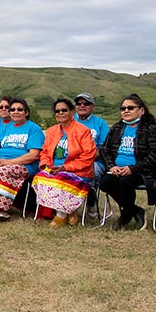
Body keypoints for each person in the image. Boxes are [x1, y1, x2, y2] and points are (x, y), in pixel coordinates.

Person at [99, 94, 156, 231]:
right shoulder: (117, 128)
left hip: (142, 171)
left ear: (141, 110)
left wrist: (133, 168)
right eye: (123, 108)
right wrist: (112, 166)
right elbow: (104, 149)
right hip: (117, 169)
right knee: (105, 182)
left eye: (130, 108)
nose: (126, 111)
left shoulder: (150, 128)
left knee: (125, 182)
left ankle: (125, 216)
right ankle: (135, 211)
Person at [33, 97, 98, 227]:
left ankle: (61, 215)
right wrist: (47, 166)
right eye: (57, 111)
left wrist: (65, 167)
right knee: (39, 177)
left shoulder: (83, 131)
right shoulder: (51, 131)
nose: (60, 113)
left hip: (78, 171)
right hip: (55, 169)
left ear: (72, 112)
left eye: (64, 110)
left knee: (61, 178)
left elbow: (88, 156)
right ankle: (70, 210)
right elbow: (45, 152)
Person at [0, 98, 43, 222]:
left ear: (26, 112)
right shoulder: (6, 128)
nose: (15, 112)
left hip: (25, 165)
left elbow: (34, 155)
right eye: (12, 110)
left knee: (3, 172)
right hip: (2, 162)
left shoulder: (34, 129)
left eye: (19, 109)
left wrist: (10, 162)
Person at [73, 93, 110, 188]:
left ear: (93, 107)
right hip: (70, 159)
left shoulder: (101, 123)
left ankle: (91, 195)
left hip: (94, 161)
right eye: (78, 103)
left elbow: (103, 148)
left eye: (86, 103)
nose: (82, 106)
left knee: (93, 172)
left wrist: (85, 160)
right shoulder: (69, 121)